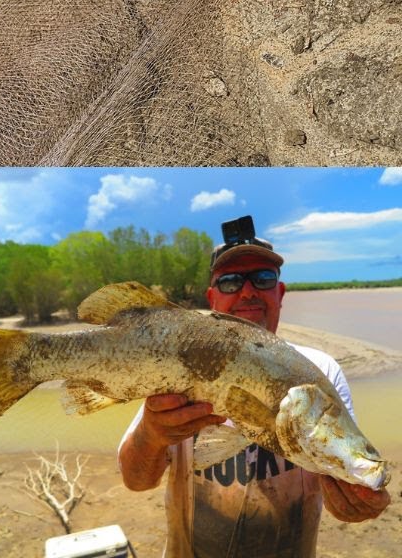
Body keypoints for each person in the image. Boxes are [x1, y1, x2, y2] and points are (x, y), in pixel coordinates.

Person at [117, 215, 390, 557]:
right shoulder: (178, 366)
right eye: (231, 282)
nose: (248, 291)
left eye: (263, 278)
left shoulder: (321, 371)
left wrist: (356, 499)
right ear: (212, 299)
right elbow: (136, 481)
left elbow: (338, 488)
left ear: (280, 292)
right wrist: (152, 433)